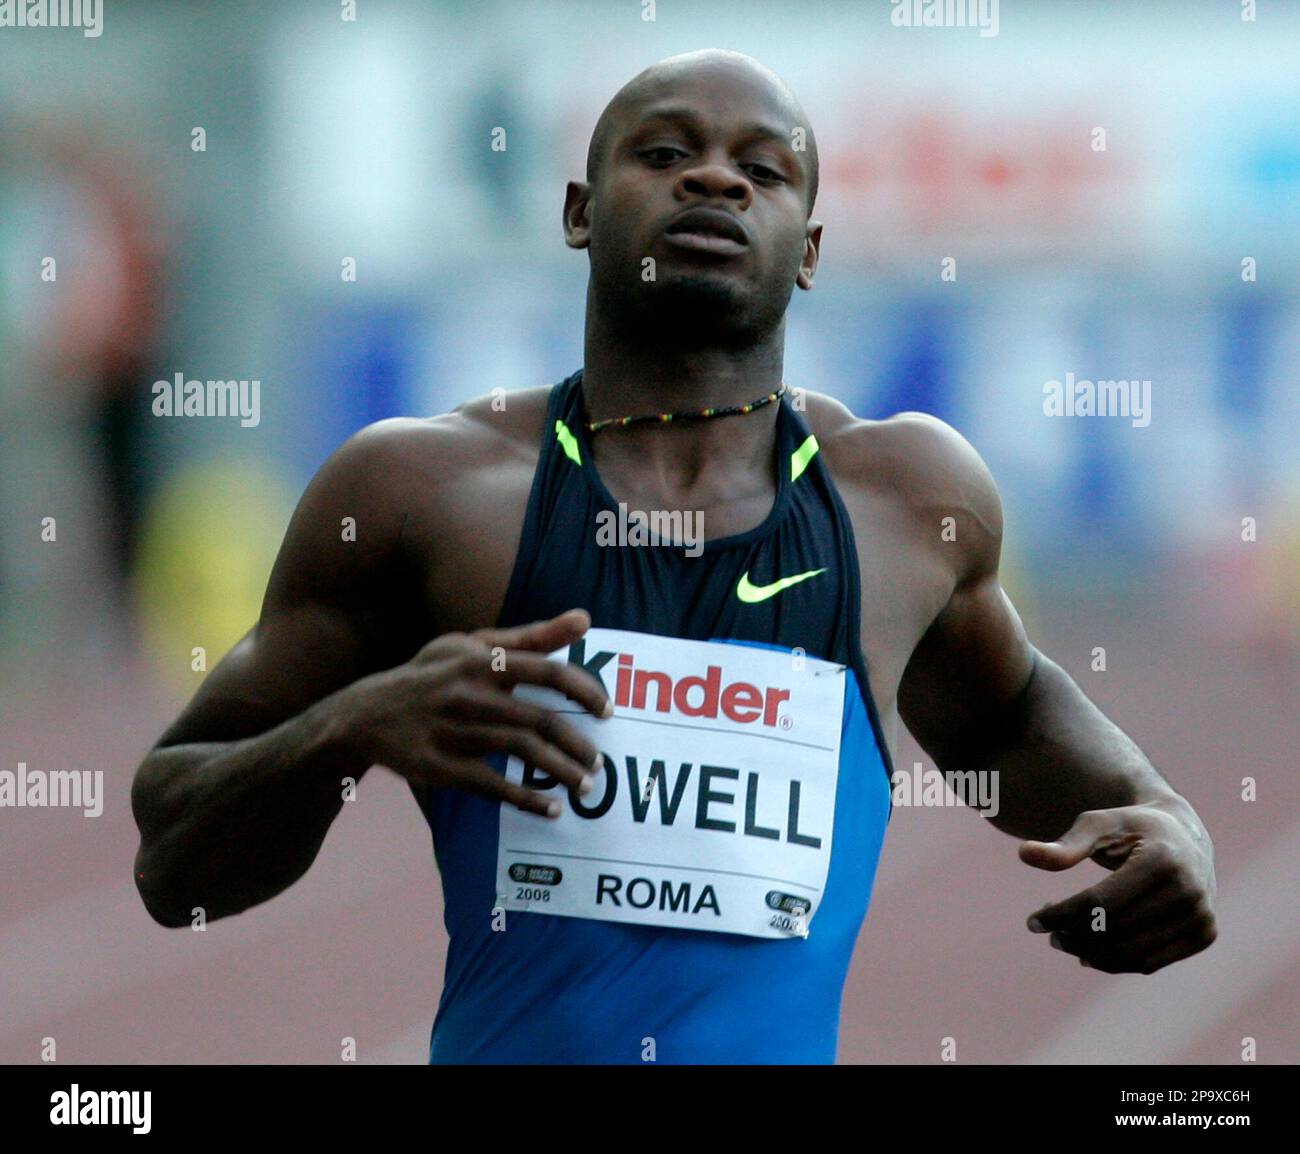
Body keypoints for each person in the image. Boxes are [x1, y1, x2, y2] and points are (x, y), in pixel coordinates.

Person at [130, 49, 1217, 1064]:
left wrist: (1167, 820)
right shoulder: (423, 496)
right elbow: (172, 863)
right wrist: (351, 724)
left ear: (812, 249)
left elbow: (1010, 712)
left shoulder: (903, 502)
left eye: (763, 169)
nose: (715, 181)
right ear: (577, 211)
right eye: (663, 154)